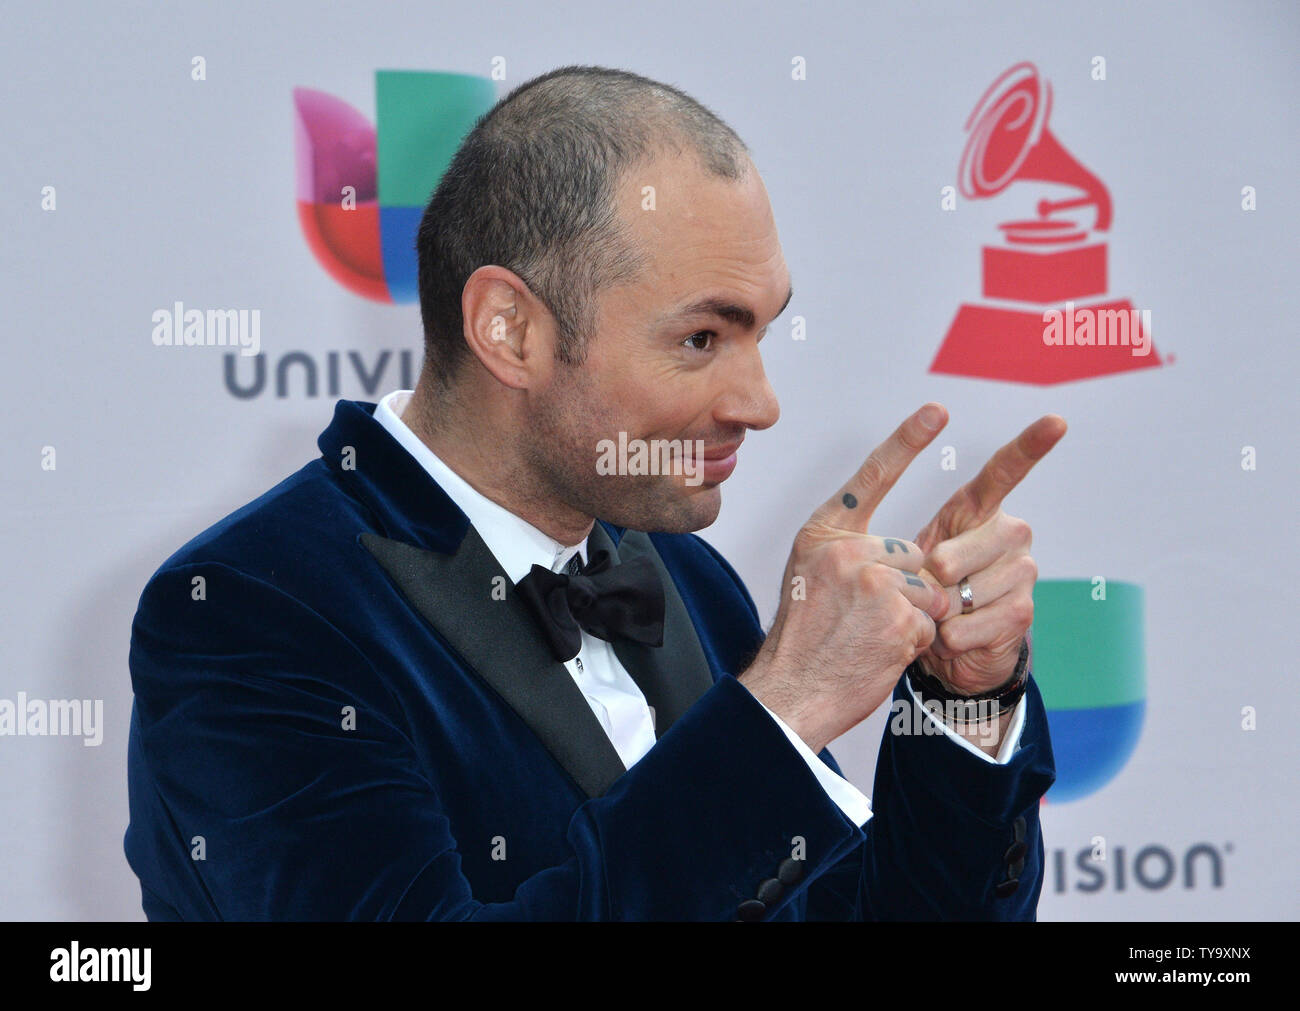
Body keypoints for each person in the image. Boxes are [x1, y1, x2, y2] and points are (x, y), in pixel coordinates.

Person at [125, 65, 1063, 921]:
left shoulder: (684, 576)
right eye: (703, 338)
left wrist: (962, 706)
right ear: (511, 330)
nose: (761, 403)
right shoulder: (246, 609)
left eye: (763, 334)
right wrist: (779, 710)